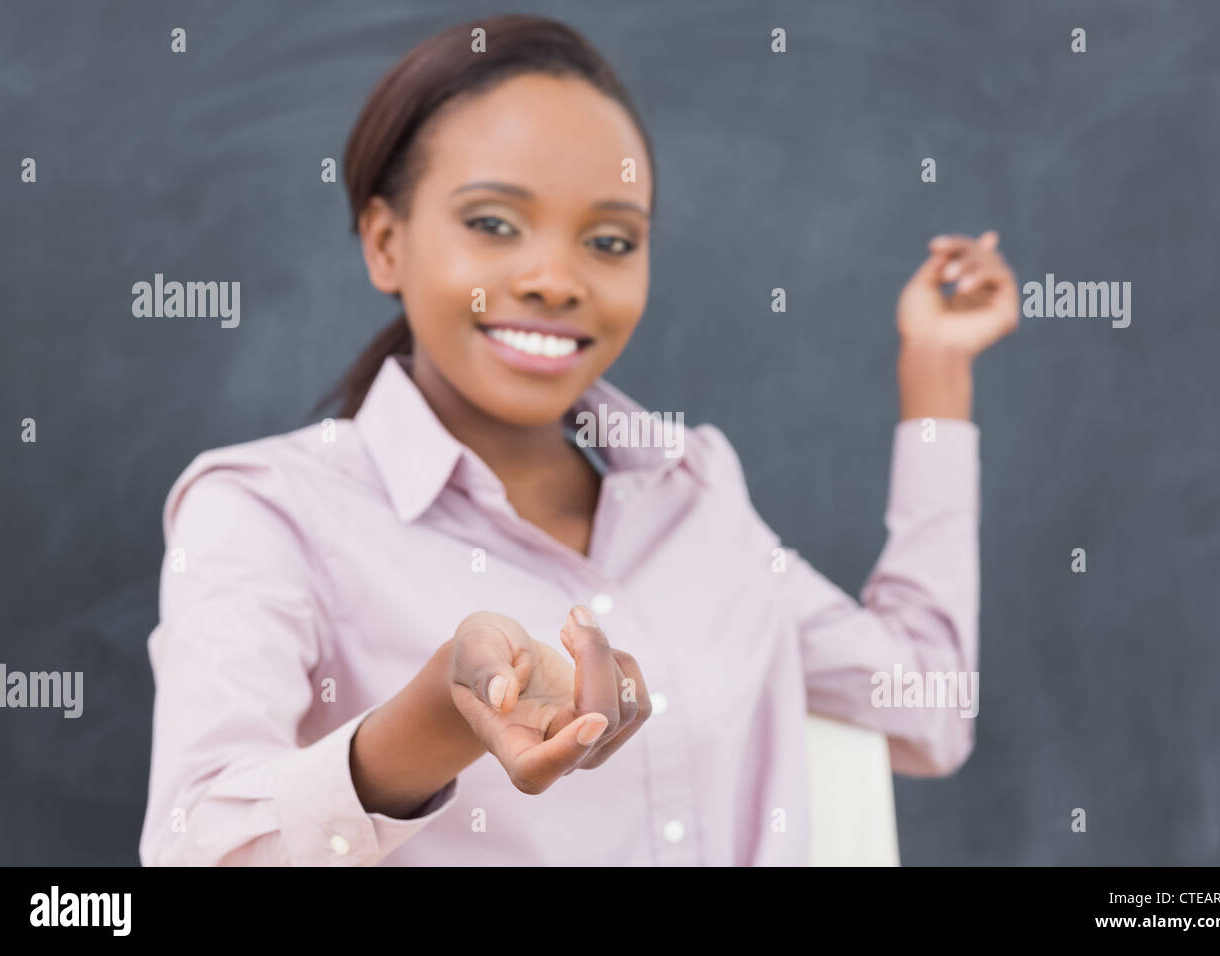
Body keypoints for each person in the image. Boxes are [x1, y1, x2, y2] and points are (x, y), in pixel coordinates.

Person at [139, 12, 1019, 866]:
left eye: (609, 239)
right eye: (492, 223)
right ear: (384, 243)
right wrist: (429, 729)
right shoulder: (266, 514)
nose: (556, 279)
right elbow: (195, 849)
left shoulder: (696, 491)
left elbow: (927, 710)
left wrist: (936, 369)